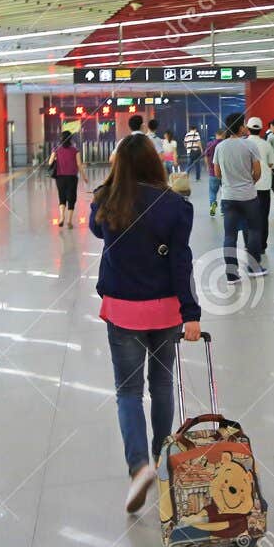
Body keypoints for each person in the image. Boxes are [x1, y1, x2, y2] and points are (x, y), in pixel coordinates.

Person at [88, 133, 202, 513]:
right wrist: (191, 313)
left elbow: (94, 228)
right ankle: (162, 458)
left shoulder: (106, 202)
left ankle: (138, 466)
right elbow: (180, 262)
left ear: (119, 165)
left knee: (129, 392)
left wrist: (107, 187)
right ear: (155, 163)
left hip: (123, 310)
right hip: (165, 310)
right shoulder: (175, 206)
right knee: (162, 383)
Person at [214, 113, 265, 279]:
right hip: (248, 196)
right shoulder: (249, 145)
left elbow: (217, 173)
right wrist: (249, 182)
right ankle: (254, 267)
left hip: (228, 197)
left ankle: (231, 274)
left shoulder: (220, 147)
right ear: (240, 127)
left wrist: (230, 182)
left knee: (230, 235)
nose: (245, 127)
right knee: (254, 230)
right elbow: (257, 172)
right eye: (243, 124)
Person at [246, 116, 274, 261]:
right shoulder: (267, 144)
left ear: (247, 128)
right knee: (263, 217)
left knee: (248, 217)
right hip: (264, 186)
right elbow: (271, 163)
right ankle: (262, 245)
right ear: (261, 129)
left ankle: (249, 244)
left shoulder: (244, 144)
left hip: (248, 187)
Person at [48, 131, 80, 227]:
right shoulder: (75, 150)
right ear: (70, 139)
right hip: (72, 177)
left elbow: (50, 162)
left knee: (62, 196)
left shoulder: (56, 149)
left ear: (61, 139)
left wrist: (56, 159)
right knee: (71, 198)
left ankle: (62, 217)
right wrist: (85, 176)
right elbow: (79, 164)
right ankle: (69, 221)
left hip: (60, 177)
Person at [204, 130, 224, 216]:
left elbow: (206, 156)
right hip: (224, 173)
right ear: (224, 135)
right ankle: (223, 210)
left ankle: (212, 204)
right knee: (224, 192)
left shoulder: (210, 144)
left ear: (216, 135)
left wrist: (208, 167)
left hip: (213, 172)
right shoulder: (225, 144)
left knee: (212, 191)